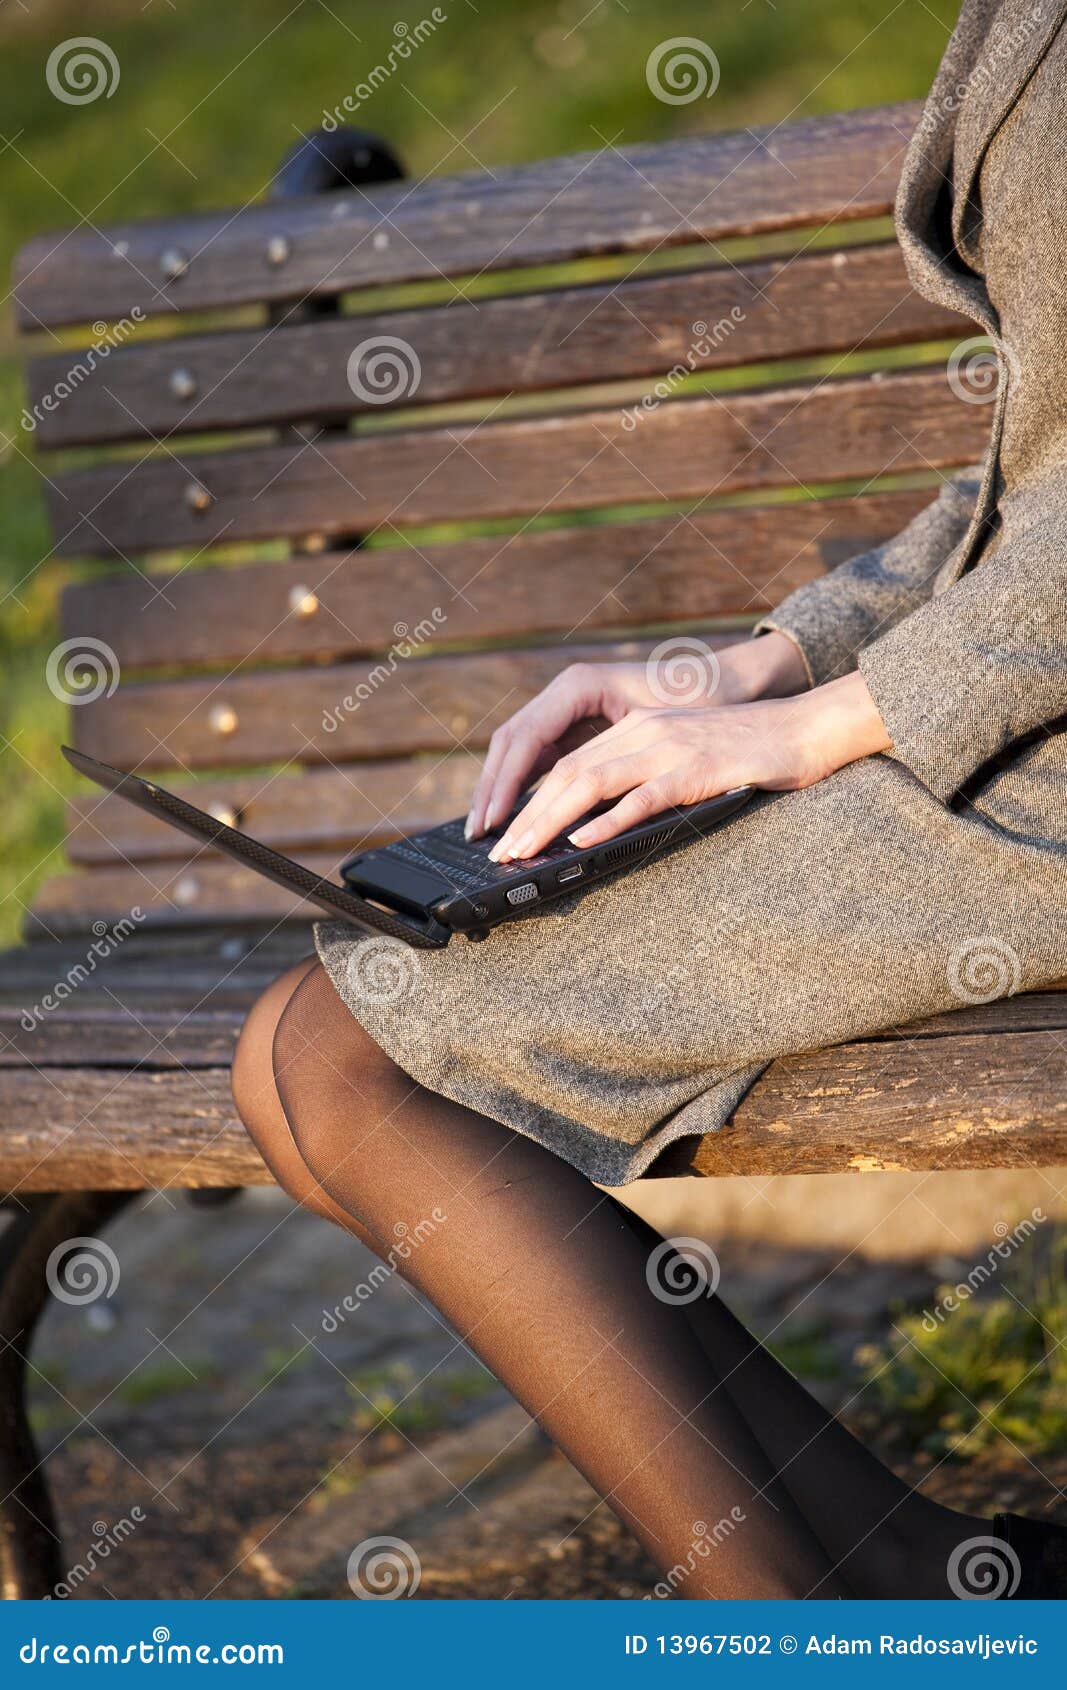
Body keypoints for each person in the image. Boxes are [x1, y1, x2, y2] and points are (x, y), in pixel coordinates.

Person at [233, 0, 1067, 1597]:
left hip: (1029, 775)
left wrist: (825, 724)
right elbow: (1033, 482)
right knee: (308, 1057)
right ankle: (914, 1576)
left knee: (334, 1053)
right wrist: (756, 670)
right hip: (1008, 739)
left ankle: (807, 1629)